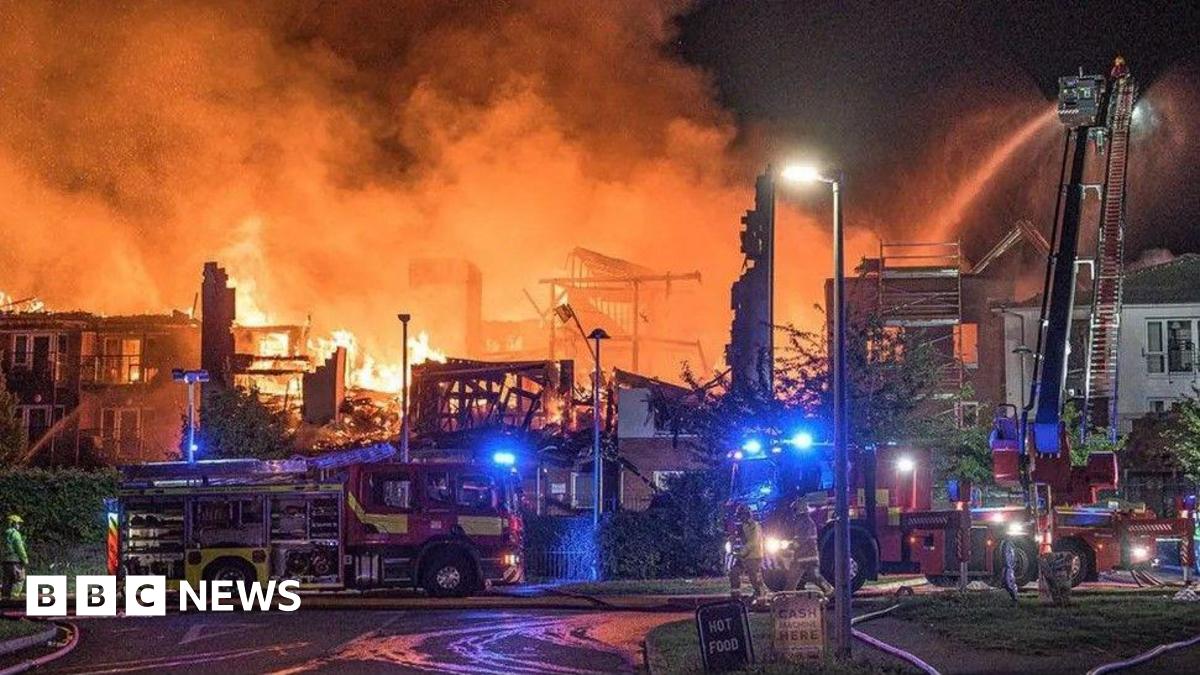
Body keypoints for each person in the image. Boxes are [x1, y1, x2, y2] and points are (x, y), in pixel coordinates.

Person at [785, 498, 833, 597]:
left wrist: (789, 546)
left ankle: (788, 598)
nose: (793, 512)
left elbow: (801, 538)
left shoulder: (804, 522)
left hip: (804, 557)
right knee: (811, 577)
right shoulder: (805, 521)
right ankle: (829, 590)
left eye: (795, 509)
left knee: (795, 578)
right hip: (807, 556)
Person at [728, 504, 765, 603]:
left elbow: (753, 542)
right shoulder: (742, 526)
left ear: (747, 515)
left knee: (754, 578)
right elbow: (739, 540)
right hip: (742, 556)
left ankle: (760, 598)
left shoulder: (754, 526)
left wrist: (741, 552)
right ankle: (735, 598)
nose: (740, 517)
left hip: (753, 556)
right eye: (739, 515)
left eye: (741, 515)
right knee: (734, 573)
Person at [1, 515, 28, 600]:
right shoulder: (15, 534)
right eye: (18, 523)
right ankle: (14, 599)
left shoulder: (4, 533)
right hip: (15, 561)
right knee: (19, 579)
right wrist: (25, 559)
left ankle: (5, 600)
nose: (19, 525)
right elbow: (19, 548)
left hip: (5, 562)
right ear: (13, 523)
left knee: (7, 581)